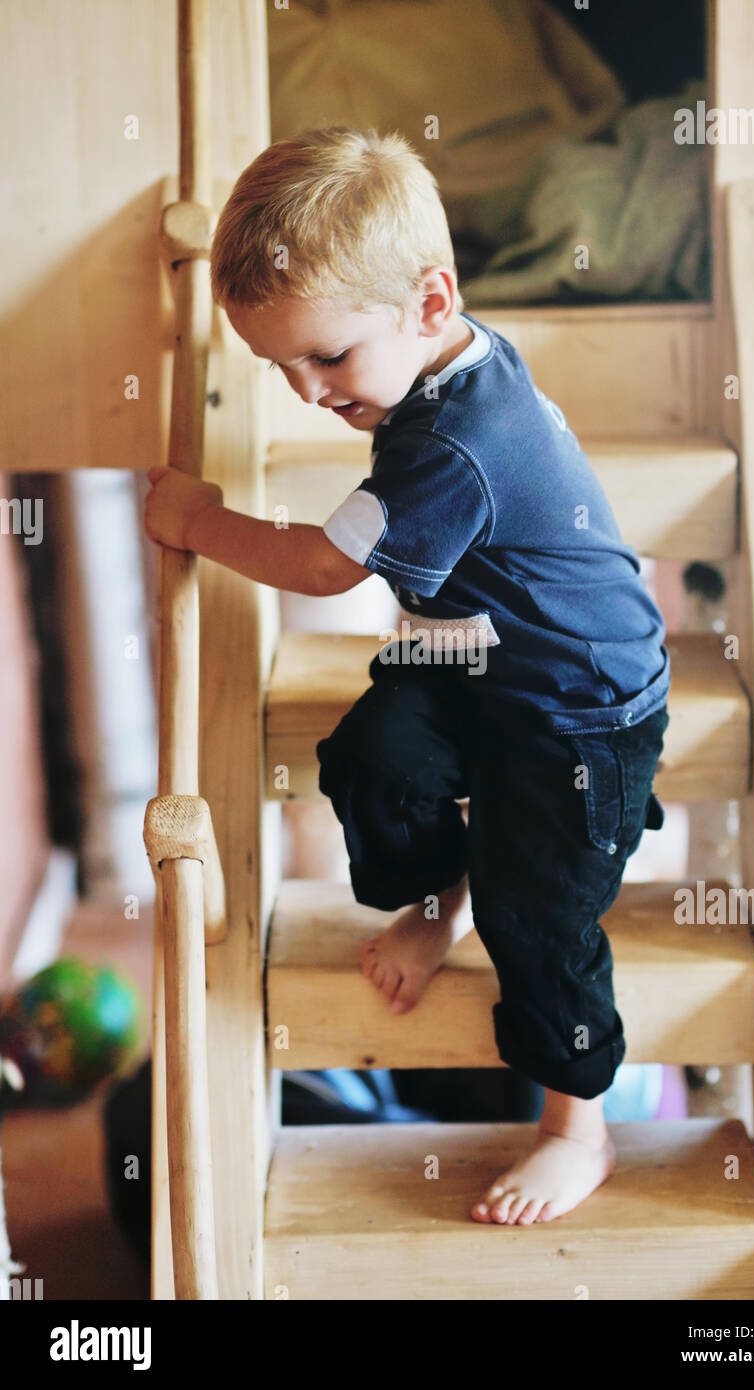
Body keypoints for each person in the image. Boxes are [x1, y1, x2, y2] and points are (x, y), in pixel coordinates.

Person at [145, 126, 670, 1226]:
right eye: (278, 368)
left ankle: (579, 1127)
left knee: (542, 917)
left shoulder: (458, 441)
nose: (304, 392)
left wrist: (200, 520)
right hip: (471, 656)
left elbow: (324, 566)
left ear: (432, 301)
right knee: (375, 758)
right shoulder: (433, 363)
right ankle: (436, 896)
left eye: (326, 359)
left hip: (577, 708)